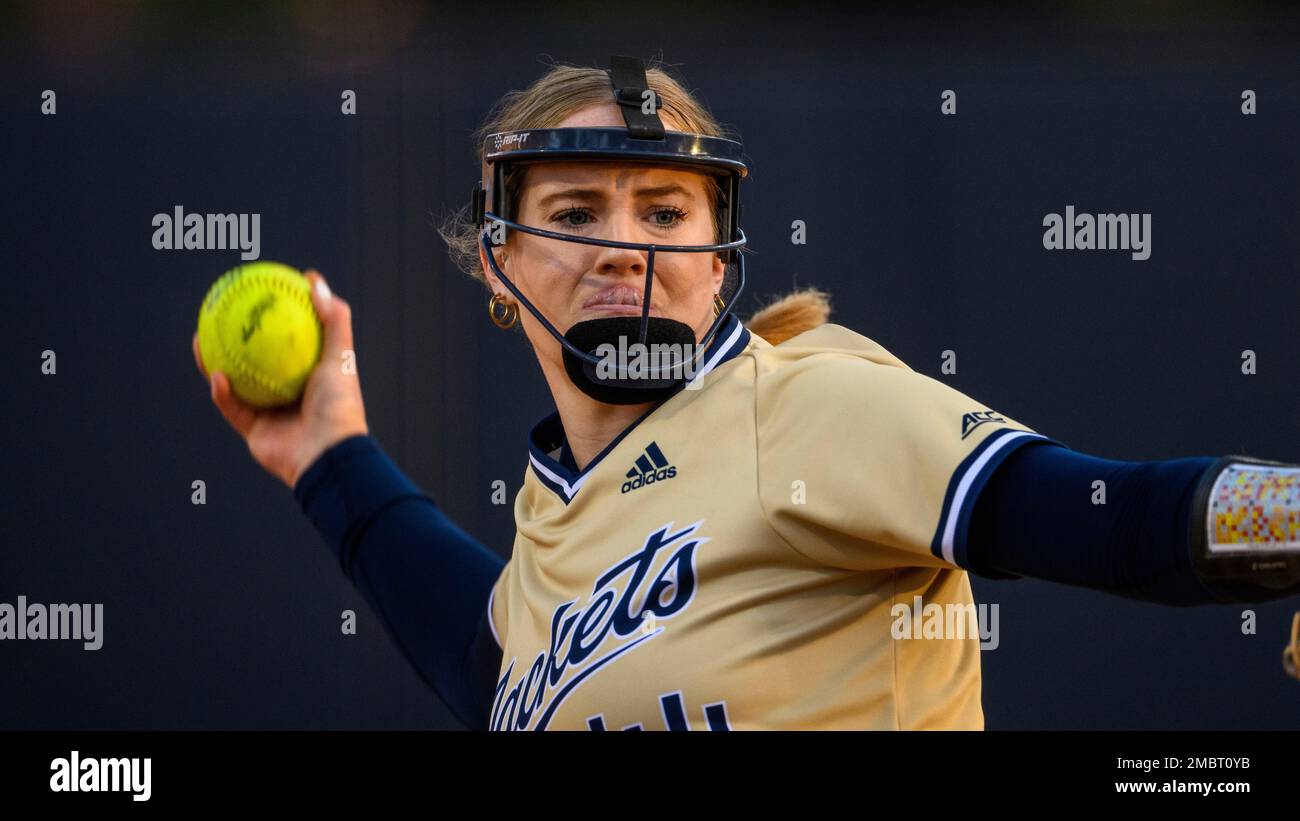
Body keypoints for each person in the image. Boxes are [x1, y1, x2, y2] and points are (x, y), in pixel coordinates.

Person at [194, 56, 1300, 730]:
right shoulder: (554, 533)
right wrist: (328, 454)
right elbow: (490, 667)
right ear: (498, 261)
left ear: (718, 260)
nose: (624, 247)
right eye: (575, 213)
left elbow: (1120, 514)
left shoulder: (804, 404)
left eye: (667, 212)